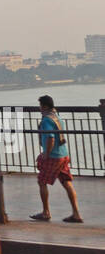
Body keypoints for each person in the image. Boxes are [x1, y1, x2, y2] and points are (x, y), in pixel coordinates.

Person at [31, 95, 83, 223]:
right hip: (63, 155)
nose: (39, 108)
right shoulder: (57, 117)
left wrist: (46, 154)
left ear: (45, 106)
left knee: (42, 182)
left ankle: (46, 212)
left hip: (53, 156)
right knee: (66, 182)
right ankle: (76, 213)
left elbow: (51, 138)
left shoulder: (46, 120)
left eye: (40, 106)